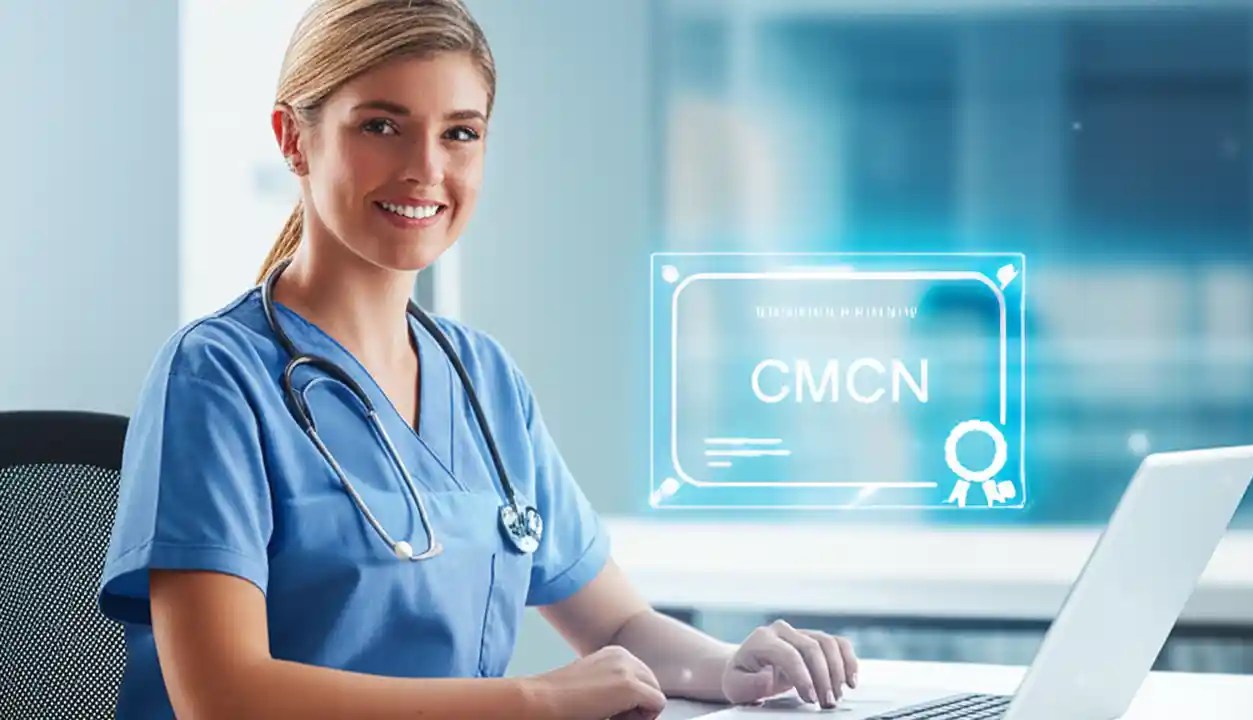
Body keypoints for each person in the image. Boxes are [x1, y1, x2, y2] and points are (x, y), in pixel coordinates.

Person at [96, 1, 858, 718]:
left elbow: (618, 622)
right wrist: (532, 702)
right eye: (382, 126)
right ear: (294, 138)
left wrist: (730, 667)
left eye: (460, 132)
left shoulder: (484, 381)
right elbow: (224, 696)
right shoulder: (217, 376)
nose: (425, 167)